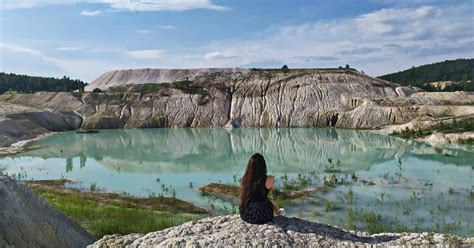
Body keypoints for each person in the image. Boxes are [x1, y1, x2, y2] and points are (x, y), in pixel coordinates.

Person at [239, 153, 280, 224]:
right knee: (268, 202)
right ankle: (279, 212)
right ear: (263, 166)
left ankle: (279, 211)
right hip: (260, 214)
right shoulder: (269, 179)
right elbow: (267, 193)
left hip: (245, 214)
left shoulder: (245, 179)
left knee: (266, 202)